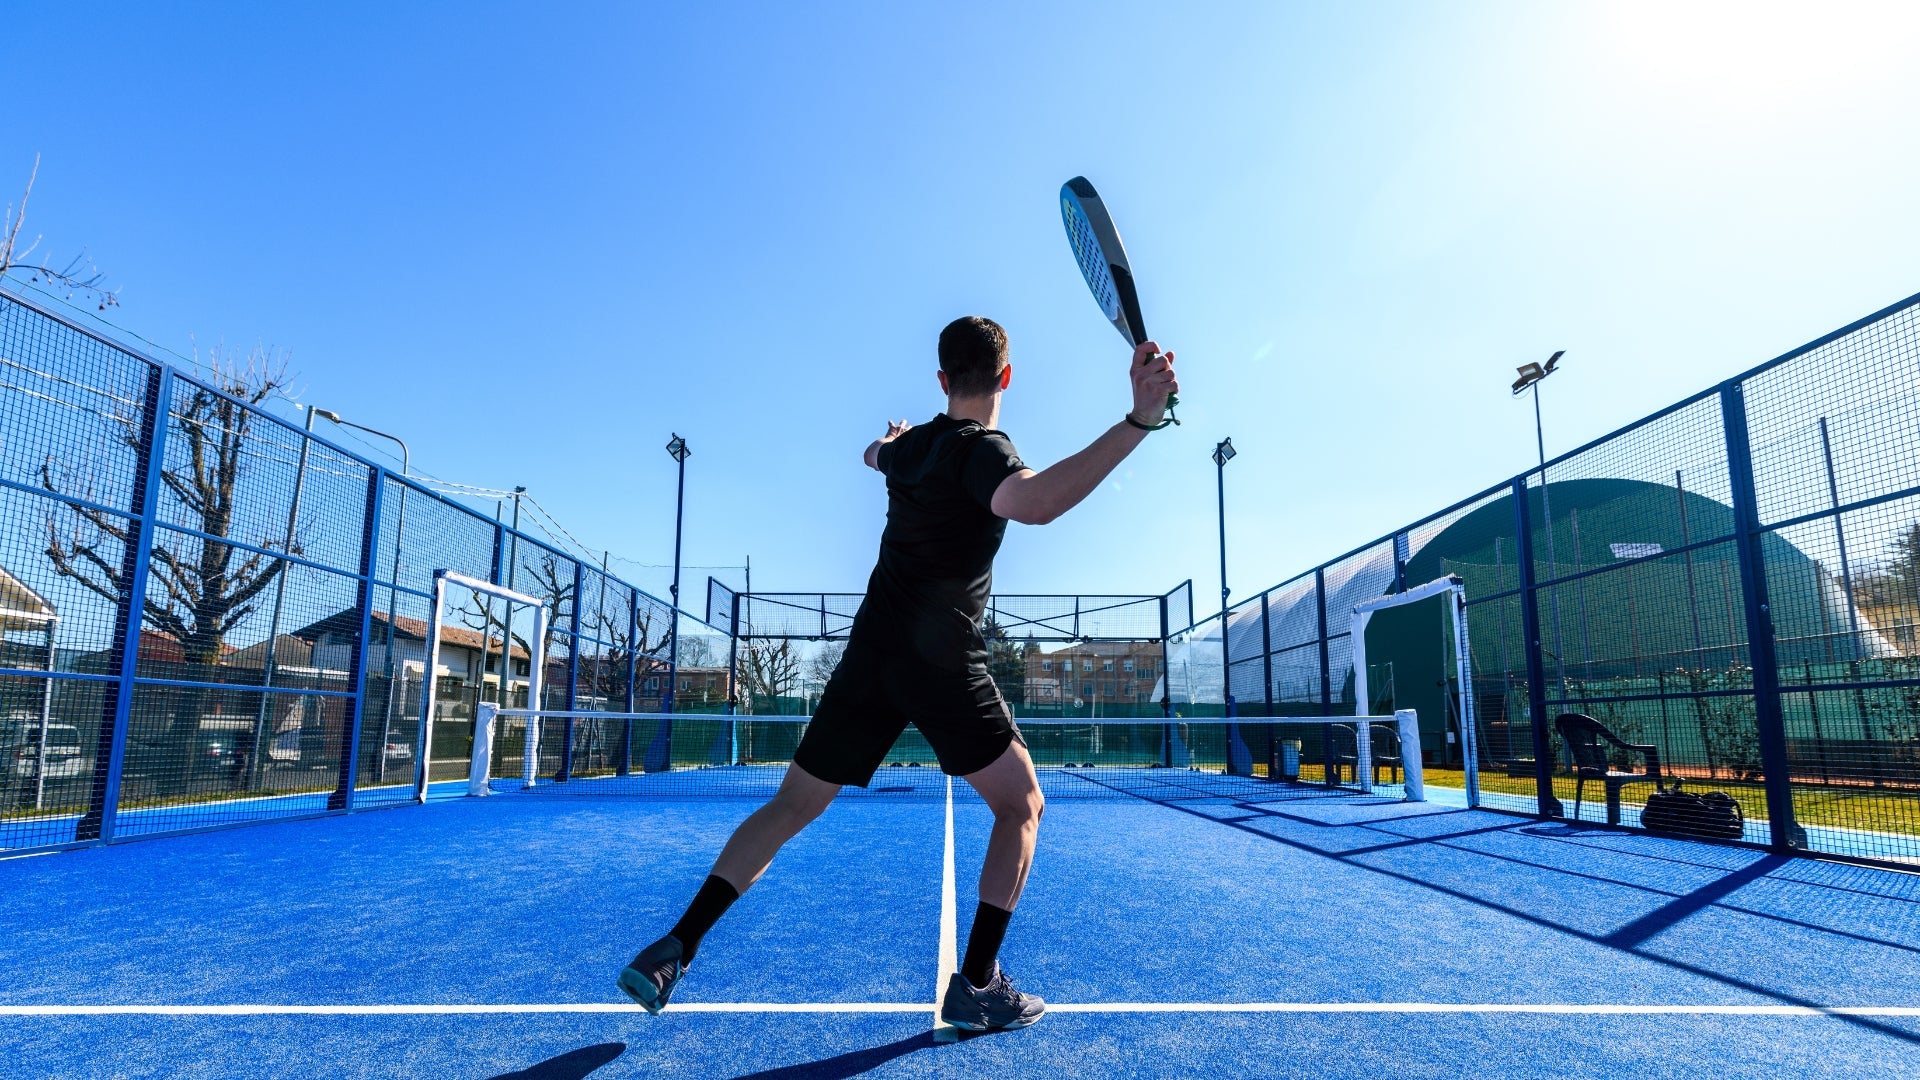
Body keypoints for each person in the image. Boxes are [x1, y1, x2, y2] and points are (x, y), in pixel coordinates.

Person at [618, 316, 1179, 1031]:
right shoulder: (984, 451)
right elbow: (1033, 503)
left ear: (944, 380)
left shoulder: (909, 448)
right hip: (940, 662)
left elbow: (870, 453)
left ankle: (678, 944)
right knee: (1022, 806)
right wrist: (1139, 419)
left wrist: (891, 438)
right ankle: (978, 984)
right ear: (1005, 378)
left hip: (870, 656)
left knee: (789, 806)